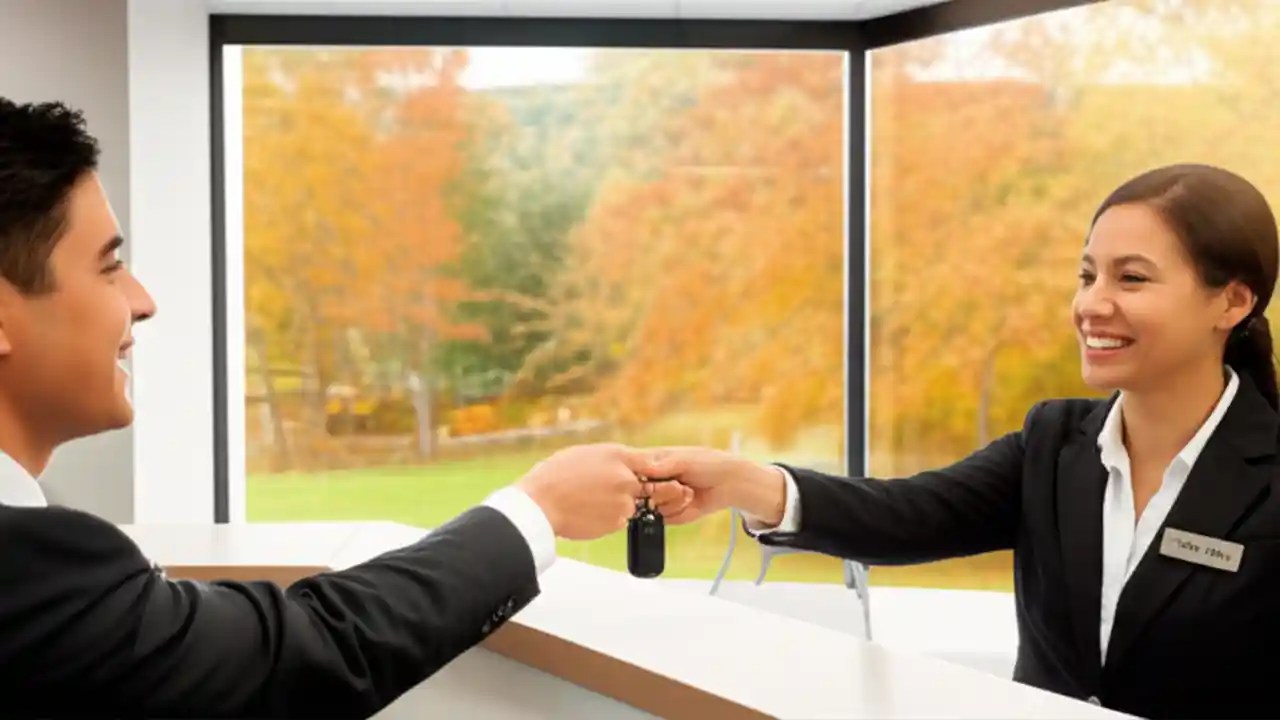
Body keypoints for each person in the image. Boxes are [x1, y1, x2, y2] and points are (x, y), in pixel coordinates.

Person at [0, 97, 692, 719]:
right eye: (107, 267)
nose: (142, 301)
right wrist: (538, 508)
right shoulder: (35, 568)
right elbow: (298, 656)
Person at [646, 163, 1280, 719]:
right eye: (1088, 276)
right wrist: (742, 484)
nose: (1093, 304)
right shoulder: (1051, 446)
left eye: (1132, 279)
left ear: (1232, 301)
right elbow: (906, 516)